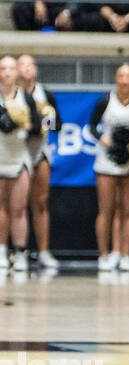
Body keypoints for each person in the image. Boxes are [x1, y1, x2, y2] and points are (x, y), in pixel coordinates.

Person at [90, 63, 129, 273]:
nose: (124, 80)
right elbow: (91, 126)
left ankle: (124, 254)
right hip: (107, 160)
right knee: (106, 210)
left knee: (128, 210)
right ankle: (104, 254)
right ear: (116, 78)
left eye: (128, 76)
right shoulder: (106, 100)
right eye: (121, 76)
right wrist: (103, 139)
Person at [16, 55, 60, 271]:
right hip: (14, 152)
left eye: (31, 64)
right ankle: (15, 250)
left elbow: (55, 125)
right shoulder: (8, 95)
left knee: (40, 203)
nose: (26, 68)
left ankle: (43, 251)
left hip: (39, 150)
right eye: (22, 64)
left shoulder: (45, 94)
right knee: (15, 205)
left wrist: (45, 122)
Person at [0, 56, 40, 273]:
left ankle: (25, 251)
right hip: (1, 153)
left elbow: (52, 124)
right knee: (1, 207)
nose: (7, 72)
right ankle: (2, 249)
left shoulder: (37, 95)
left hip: (30, 153)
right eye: (2, 68)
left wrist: (32, 125)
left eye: (11, 68)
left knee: (27, 205)